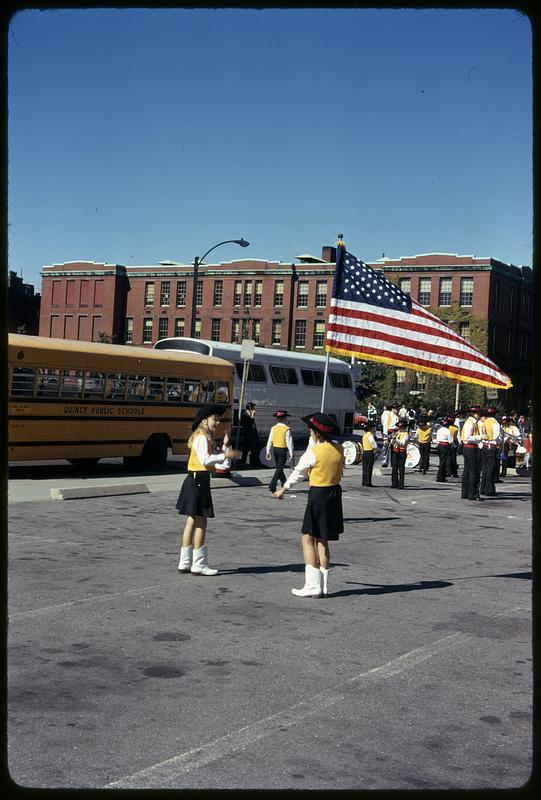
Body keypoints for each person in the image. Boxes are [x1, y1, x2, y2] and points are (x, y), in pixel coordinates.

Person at [274, 412, 344, 598]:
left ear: (315, 432)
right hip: (334, 494)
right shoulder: (339, 449)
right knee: (323, 540)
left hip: (318, 494)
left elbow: (298, 472)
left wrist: (284, 489)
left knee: (307, 538)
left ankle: (312, 585)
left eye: (311, 429)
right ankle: (324, 585)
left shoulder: (314, 452)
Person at [175, 405, 241, 575]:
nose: (217, 422)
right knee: (201, 522)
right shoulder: (202, 438)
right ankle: (198, 564)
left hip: (194, 479)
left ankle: (185, 562)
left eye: (218, 419)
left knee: (191, 521)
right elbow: (205, 459)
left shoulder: (200, 436)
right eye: (215, 418)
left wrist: (224, 447)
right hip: (199, 481)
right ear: (205, 419)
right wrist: (225, 455)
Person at [460, 405, 485, 501]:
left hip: (470, 448)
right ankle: (472, 493)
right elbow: (467, 437)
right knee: (473, 472)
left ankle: (465, 493)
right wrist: (480, 437)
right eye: (478, 413)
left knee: (467, 471)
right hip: (470, 448)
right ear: (473, 414)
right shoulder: (470, 423)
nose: (479, 415)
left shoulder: (472, 422)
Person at [266, 410, 294, 493]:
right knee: (279, 468)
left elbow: (270, 440)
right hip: (282, 450)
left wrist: (268, 450)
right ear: (284, 419)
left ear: (277, 419)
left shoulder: (273, 428)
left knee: (279, 468)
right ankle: (272, 485)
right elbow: (289, 442)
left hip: (275, 449)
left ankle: (284, 484)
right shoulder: (286, 429)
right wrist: (291, 453)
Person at [480, 406, 500, 496]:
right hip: (491, 445)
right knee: (491, 468)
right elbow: (496, 437)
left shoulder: (484, 422)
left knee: (484, 468)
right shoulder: (495, 423)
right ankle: (489, 489)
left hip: (484, 445)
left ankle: (483, 488)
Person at [240, 401, 262, 467]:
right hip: (248, 435)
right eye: (253, 407)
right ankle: (243, 461)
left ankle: (253, 461)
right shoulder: (244, 414)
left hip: (253, 435)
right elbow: (248, 425)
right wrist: (252, 416)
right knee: (246, 449)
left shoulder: (249, 414)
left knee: (253, 449)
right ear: (250, 407)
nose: (254, 409)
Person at [391, 419, 409, 489]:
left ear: (404, 427)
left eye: (401, 427)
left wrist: (396, 439)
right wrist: (392, 440)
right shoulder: (398, 433)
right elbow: (393, 442)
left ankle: (401, 484)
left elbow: (403, 443)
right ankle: (394, 483)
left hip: (402, 452)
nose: (399, 428)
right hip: (396, 451)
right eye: (399, 427)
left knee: (401, 469)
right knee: (394, 468)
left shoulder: (406, 435)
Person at [435, 417, 453, 482]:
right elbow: (450, 441)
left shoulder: (439, 430)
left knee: (441, 461)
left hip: (439, 445)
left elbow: (437, 439)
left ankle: (441, 476)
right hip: (445, 446)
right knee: (443, 462)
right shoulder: (448, 431)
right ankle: (440, 476)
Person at [361, 421, 378, 487]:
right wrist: (377, 449)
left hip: (365, 452)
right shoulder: (370, 435)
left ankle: (364, 481)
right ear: (370, 428)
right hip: (369, 452)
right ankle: (368, 482)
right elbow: (374, 445)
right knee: (369, 467)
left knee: (365, 467)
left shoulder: (364, 435)